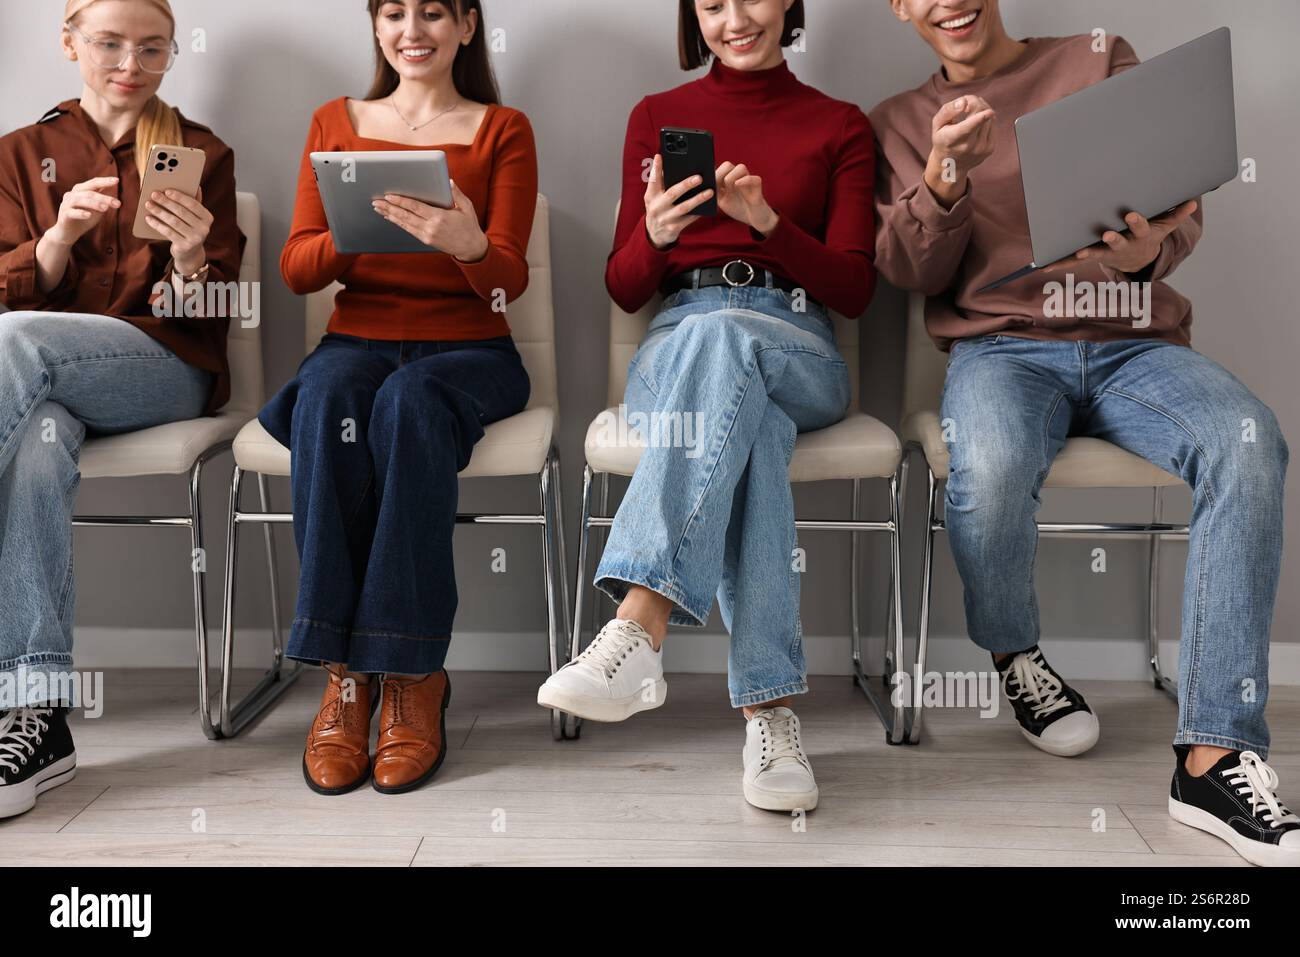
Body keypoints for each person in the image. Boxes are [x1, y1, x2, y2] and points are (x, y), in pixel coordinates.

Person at [871, 0, 1296, 865]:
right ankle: (1017, 654)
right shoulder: (901, 123)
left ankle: (1214, 754)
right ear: (900, 7)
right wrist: (945, 180)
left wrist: (1146, 255)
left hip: (1135, 342)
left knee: (1249, 438)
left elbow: (1177, 207)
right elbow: (908, 271)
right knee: (984, 470)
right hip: (1002, 352)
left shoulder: (1098, 59)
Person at [538, 0, 876, 814]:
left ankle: (640, 621)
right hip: (676, 346)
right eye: (713, 3)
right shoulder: (657, 117)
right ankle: (770, 712)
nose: (735, 18)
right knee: (744, 414)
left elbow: (856, 289)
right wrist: (652, 232)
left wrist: (768, 224)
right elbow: (624, 286)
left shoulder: (841, 126)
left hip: (798, 342)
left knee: (736, 347)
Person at [264, 0, 537, 796]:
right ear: (376, 28)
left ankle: (413, 671)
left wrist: (471, 247)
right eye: (393, 13)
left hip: (470, 348)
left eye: (432, 13)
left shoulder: (501, 128)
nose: (412, 29)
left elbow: (508, 279)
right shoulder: (333, 121)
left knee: (409, 402)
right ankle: (345, 673)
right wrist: (353, 228)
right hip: (357, 340)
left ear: (466, 26)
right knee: (324, 396)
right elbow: (296, 268)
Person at [0, 0, 242, 821]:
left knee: (15, 341)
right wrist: (54, 246)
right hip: (43, 390)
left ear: (172, 54)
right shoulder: (19, 154)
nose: (129, 62)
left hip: (162, 372)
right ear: (70, 43)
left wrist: (190, 257)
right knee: (35, 443)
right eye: (109, 43)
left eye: (151, 47)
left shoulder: (199, 152)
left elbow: (219, 318)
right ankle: (37, 714)